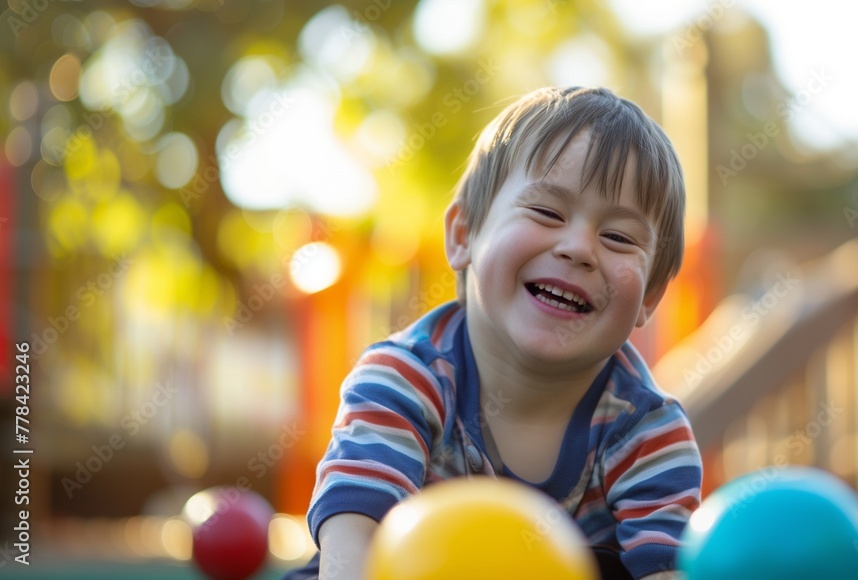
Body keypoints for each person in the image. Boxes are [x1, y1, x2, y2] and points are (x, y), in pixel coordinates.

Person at [288, 86, 702, 580]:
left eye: (618, 237)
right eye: (548, 212)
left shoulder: (647, 431)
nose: (579, 247)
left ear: (650, 297)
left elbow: (666, 571)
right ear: (464, 236)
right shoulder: (404, 379)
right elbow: (353, 535)